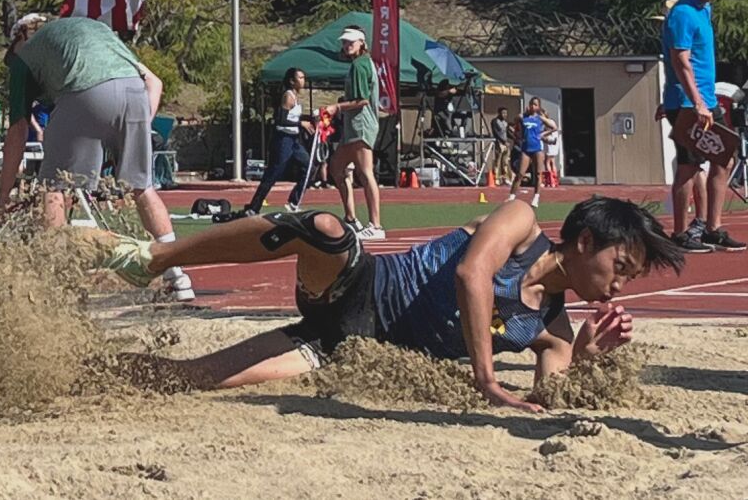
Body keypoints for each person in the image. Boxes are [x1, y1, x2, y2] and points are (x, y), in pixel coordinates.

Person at [103, 196, 684, 410]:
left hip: (342, 343)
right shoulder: (520, 221)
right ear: (585, 243)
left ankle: (89, 370)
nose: (619, 285)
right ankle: (154, 258)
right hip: (358, 285)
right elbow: (470, 272)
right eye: (620, 268)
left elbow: (545, 400)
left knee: (192, 377)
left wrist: (586, 352)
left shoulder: (552, 329)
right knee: (326, 228)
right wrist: (485, 376)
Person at [0, 14, 194, 302]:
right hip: (134, 93)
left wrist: (2, 196)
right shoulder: (91, 30)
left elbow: (18, 131)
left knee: (54, 188)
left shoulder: (29, 52)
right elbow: (154, 81)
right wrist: (132, 133)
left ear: (21, 36)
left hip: (83, 93)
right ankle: (178, 276)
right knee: (143, 187)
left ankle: (56, 280)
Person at [661, 0, 745, 252]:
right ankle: (681, 233)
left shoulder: (702, 10)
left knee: (725, 157)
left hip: (705, 100)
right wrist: (694, 102)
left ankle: (713, 228)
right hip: (690, 103)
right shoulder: (683, 13)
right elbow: (679, 60)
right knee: (688, 165)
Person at [323, 28, 384, 240]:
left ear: (361, 43)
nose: (347, 45)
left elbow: (362, 100)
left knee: (365, 173)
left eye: (351, 42)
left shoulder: (360, 65)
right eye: (345, 42)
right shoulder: (360, 64)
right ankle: (351, 218)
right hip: (354, 126)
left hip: (361, 125)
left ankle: (375, 225)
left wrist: (336, 108)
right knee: (337, 167)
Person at [244, 68, 314, 215]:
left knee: (308, 167)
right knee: (274, 174)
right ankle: (253, 207)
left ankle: (294, 202)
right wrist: (301, 124)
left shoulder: (296, 96)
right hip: (283, 140)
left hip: (294, 141)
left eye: (303, 78)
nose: (303, 81)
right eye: (300, 78)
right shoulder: (288, 97)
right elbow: (280, 121)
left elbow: (293, 118)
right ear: (292, 81)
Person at [507, 97, 557, 209]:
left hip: (537, 148)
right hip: (525, 148)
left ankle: (536, 197)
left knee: (538, 173)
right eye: (531, 104)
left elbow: (554, 127)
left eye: (535, 105)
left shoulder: (539, 118)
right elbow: (514, 122)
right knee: (520, 173)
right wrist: (517, 134)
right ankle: (512, 196)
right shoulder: (523, 117)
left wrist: (543, 134)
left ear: (538, 107)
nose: (532, 106)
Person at [491, 106, 512, 186]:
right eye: (503, 113)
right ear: (499, 113)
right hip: (499, 143)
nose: (504, 115)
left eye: (506, 113)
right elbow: (496, 133)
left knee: (505, 162)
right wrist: (503, 141)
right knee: (497, 161)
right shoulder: (495, 121)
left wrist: (515, 138)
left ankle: (505, 178)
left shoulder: (505, 123)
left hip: (506, 144)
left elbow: (507, 133)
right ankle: (496, 177)